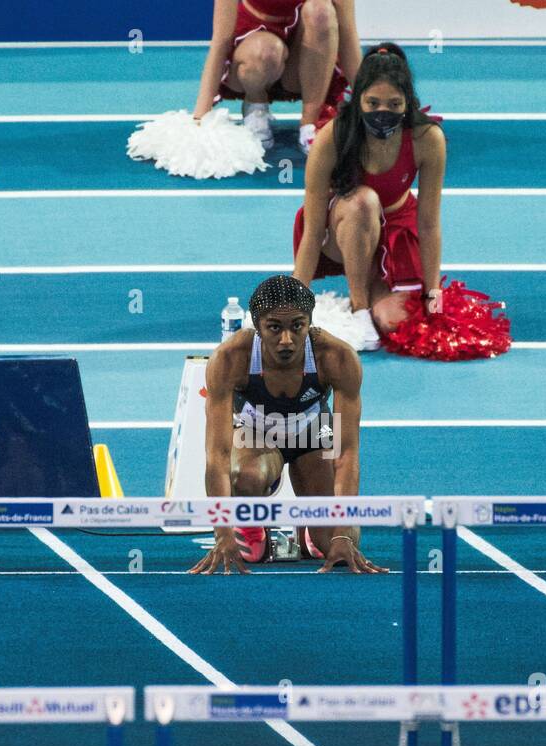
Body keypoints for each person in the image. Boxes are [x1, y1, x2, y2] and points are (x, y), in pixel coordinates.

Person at [189, 274, 385, 574]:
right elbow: (217, 456)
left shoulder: (336, 358)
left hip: (313, 436)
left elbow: (346, 454)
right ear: (257, 327)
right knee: (244, 476)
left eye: (297, 326)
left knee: (337, 540)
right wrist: (223, 534)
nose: (286, 340)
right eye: (274, 328)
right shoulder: (231, 358)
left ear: (309, 321)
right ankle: (253, 523)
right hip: (256, 438)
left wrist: (343, 534)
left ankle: (309, 533)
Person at [292, 43, 446, 351]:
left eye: (393, 104)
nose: (382, 112)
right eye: (373, 102)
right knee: (364, 202)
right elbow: (313, 228)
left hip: (397, 235)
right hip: (343, 228)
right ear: (358, 98)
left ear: (408, 103)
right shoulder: (333, 137)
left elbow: (428, 224)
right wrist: (295, 300)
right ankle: (358, 307)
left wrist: (433, 292)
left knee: (398, 324)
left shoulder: (427, 139)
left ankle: (374, 290)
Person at [193, 0, 360, 153]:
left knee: (321, 10)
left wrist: (366, 101)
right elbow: (221, 40)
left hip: (303, 68)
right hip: (253, 58)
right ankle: (255, 103)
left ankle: (310, 125)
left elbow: (348, 38)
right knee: (266, 51)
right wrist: (200, 118)